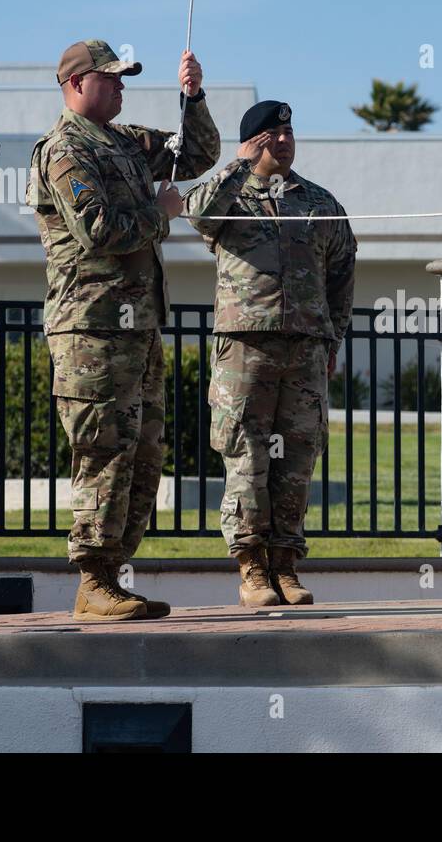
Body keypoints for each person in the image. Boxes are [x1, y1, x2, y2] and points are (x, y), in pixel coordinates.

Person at [28, 40, 220, 621]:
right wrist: (160, 213)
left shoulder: (128, 142)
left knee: (142, 455)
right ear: (77, 83)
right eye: (110, 79)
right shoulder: (65, 150)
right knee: (104, 451)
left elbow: (197, 155)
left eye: (123, 79)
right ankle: (92, 579)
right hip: (92, 330)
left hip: (137, 329)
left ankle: (111, 574)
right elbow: (100, 231)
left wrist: (194, 97)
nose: (120, 87)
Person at [184, 100, 356, 607]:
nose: (282, 141)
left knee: (297, 458)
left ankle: (286, 563)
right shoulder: (230, 196)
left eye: (287, 132)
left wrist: (333, 337)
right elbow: (194, 213)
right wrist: (237, 162)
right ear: (252, 142)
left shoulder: (320, 202)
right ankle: (251, 568)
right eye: (269, 135)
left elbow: (343, 271)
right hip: (246, 344)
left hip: (305, 347)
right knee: (246, 454)